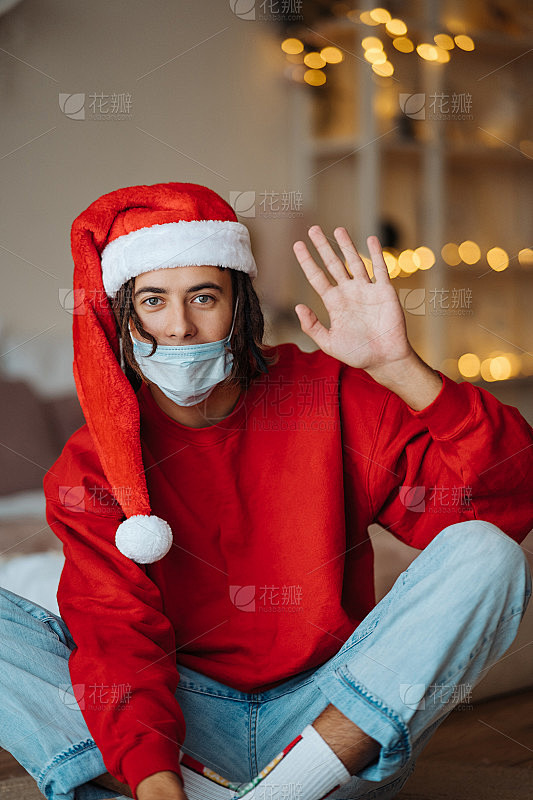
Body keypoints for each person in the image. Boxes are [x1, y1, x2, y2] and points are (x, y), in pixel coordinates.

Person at [0, 181, 531, 800]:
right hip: (187, 724)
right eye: (153, 301)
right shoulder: (92, 463)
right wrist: (155, 782)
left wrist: (398, 368)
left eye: (204, 296)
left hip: (332, 717)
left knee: (489, 555)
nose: (178, 327)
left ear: (240, 304)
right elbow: (116, 639)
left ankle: (291, 787)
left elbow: (500, 508)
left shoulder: (327, 393)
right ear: (125, 315)